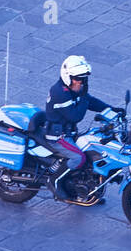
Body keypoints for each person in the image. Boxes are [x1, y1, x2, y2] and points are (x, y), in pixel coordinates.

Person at [42, 56, 118, 193]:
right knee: (79, 158)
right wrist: (83, 97)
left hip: (69, 133)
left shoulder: (73, 89)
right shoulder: (59, 92)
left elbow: (91, 101)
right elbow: (75, 116)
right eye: (78, 79)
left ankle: (90, 190)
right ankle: (54, 181)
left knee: (92, 152)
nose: (81, 82)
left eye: (84, 79)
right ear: (67, 77)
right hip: (58, 137)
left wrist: (111, 109)